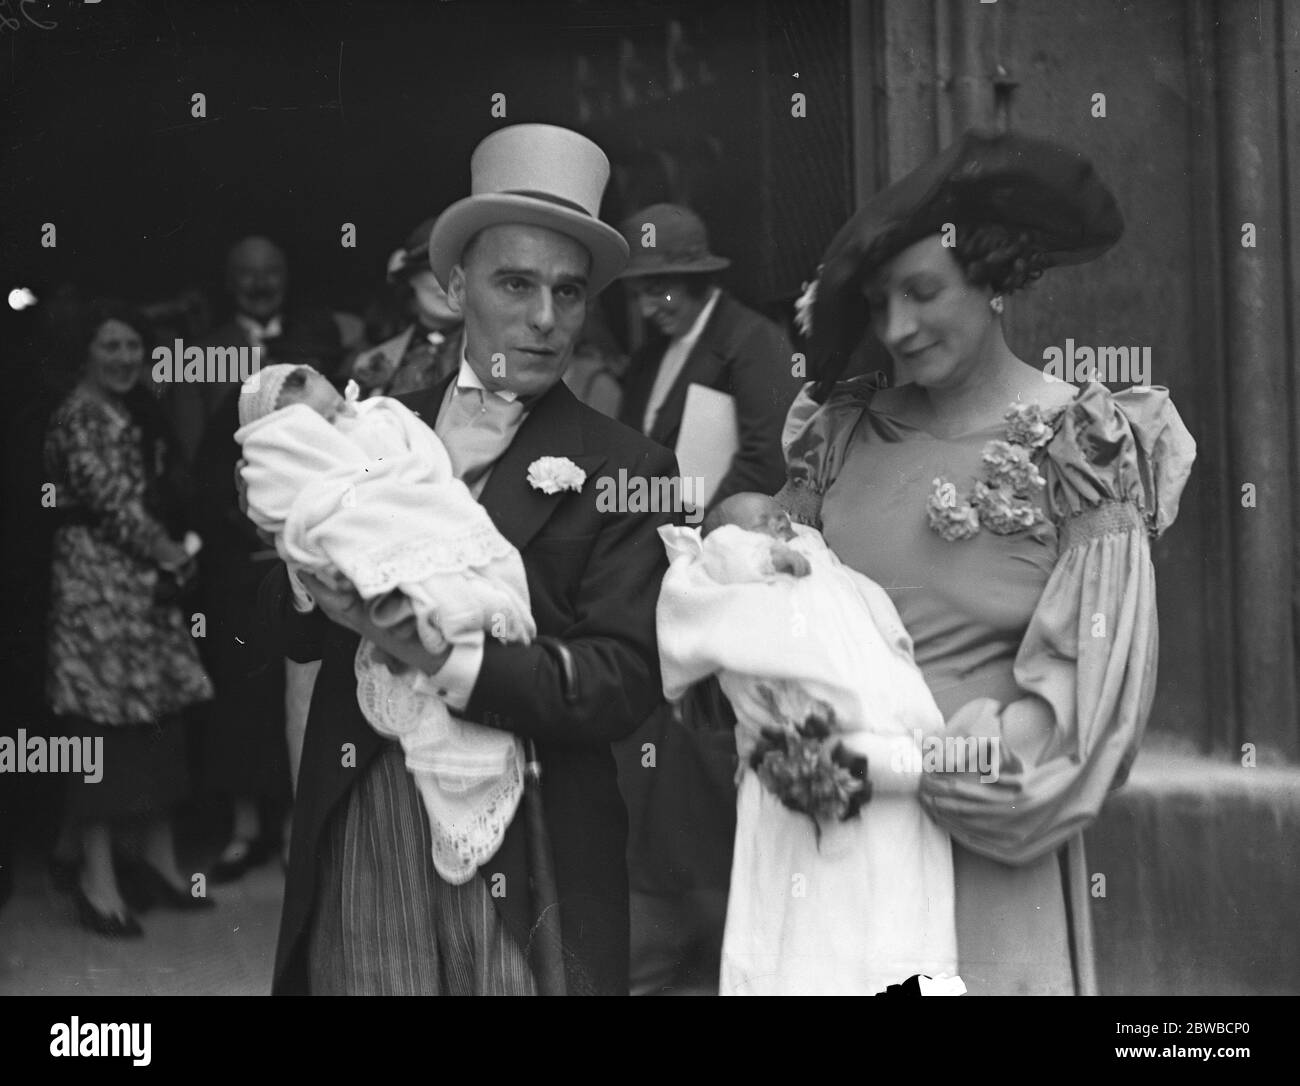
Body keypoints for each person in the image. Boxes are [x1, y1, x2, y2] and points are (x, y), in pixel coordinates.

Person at [775, 129, 1196, 994]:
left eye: (923, 293)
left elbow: (1089, 713)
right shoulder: (840, 436)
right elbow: (775, 614)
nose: (896, 327)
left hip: (985, 860)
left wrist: (908, 767)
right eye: (879, 300)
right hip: (836, 848)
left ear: (994, 280)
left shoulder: (1083, 446)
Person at [259, 123, 676, 995]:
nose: (544, 318)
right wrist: (304, 574)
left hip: (531, 836)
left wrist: (449, 655)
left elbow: (622, 680)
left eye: (569, 292)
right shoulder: (373, 428)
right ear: (454, 287)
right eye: (515, 283)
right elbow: (288, 633)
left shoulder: (630, 467)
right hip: (367, 807)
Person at [236, 363, 534, 884]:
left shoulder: (391, 421)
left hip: (511, 729)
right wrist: (305, 553)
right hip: (371, 752)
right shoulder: (391, 409)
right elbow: (291, 626)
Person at [656, 493, 957, 994]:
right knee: (817, 931)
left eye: (781, 517)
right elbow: (724, 551)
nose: (779, 521)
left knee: (894, 917)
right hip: (819, 734)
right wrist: (767, 556)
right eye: (762, 520)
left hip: (886, 736)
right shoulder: (731, 556)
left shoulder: (822, 557)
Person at [614, 202, 802, 994]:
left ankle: (723, 940)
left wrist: (686, 535)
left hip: (720, 572)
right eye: (645, 288)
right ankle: (680, 931)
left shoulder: (751, 343)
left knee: (710, 747)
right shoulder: (649, 354)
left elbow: (768, 455)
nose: (657, 303)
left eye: (672, 287)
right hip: (666, 568)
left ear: (702, 281)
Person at [43, 300, 215, 936]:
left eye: (131, 347)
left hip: (143, 589)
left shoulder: (134, 409)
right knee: (101, 726)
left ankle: (159, 861)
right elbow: (111, 501)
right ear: (86, 351)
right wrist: (173, 553)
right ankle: (97, 879)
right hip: (97, 587)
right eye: (109, 346)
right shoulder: (80, 414)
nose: (123, 359)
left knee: (158, 716)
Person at [181, 236, 341, 883]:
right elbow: (196, 454)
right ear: (229, 280)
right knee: (243, 690)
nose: (259, 285)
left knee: (304, 688)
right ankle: (248, 830)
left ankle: (297, 828)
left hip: (311, 553)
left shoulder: (318, 344)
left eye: (271, 273)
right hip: (238, 553)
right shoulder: (206, 349)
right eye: (246, 275)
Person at [351, 217, 465, 399]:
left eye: (463, 271)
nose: (449, 284)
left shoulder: (494, 354)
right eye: (435, 269)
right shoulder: (374, 359)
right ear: (411, 277)